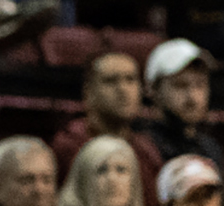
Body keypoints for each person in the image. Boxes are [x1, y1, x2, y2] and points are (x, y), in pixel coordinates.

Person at [51, 52, 164, 196]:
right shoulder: (70, 146)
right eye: (110, 81)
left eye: (130, 80)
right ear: (88, 93)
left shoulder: (146, 151)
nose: (123, 89)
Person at [142, 39, 224, 192]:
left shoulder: (211, 149)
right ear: (152, 89)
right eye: (180, 85)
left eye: (200, 85)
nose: (192, 97)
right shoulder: (142, 148)